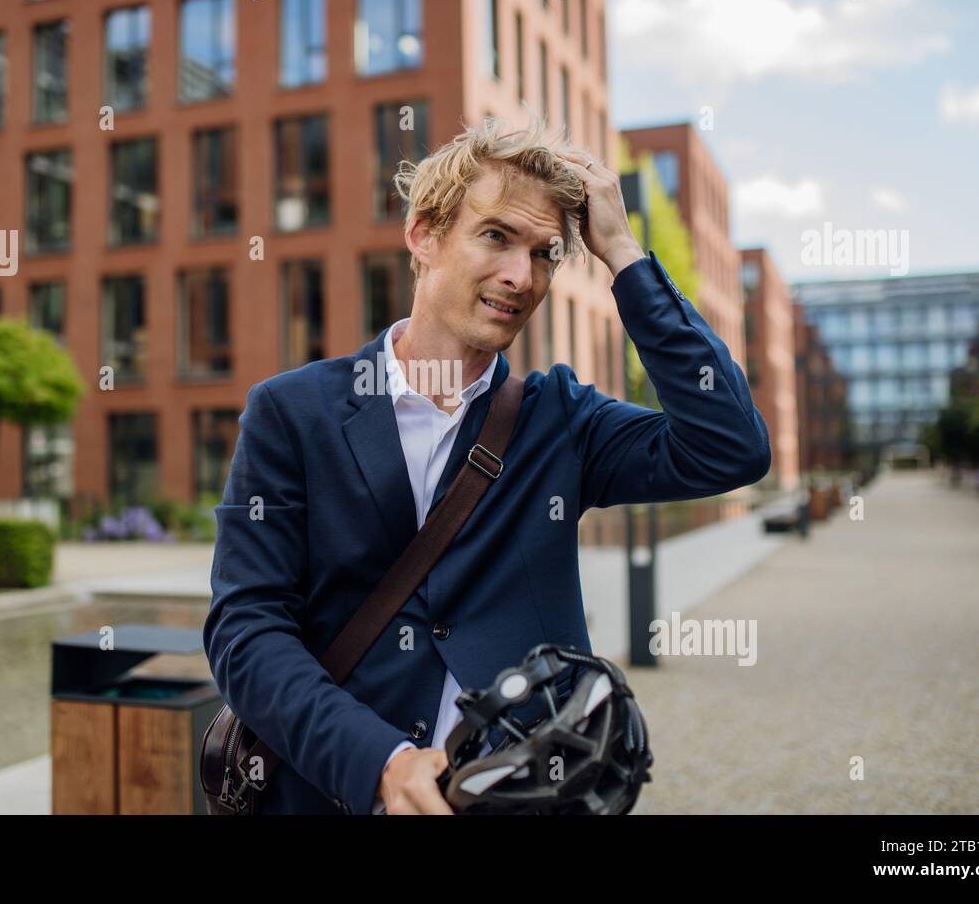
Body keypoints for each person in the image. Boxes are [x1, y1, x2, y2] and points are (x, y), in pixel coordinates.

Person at [203, 117, 770, 814]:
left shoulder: (561, 419)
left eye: (545, 253)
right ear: (424, 235)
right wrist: (380, 762)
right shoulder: (291, 413)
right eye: (496, 236)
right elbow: (246, 631)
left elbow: (731, 444)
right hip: (337, 795)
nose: (519, 276)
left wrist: (623, 255)